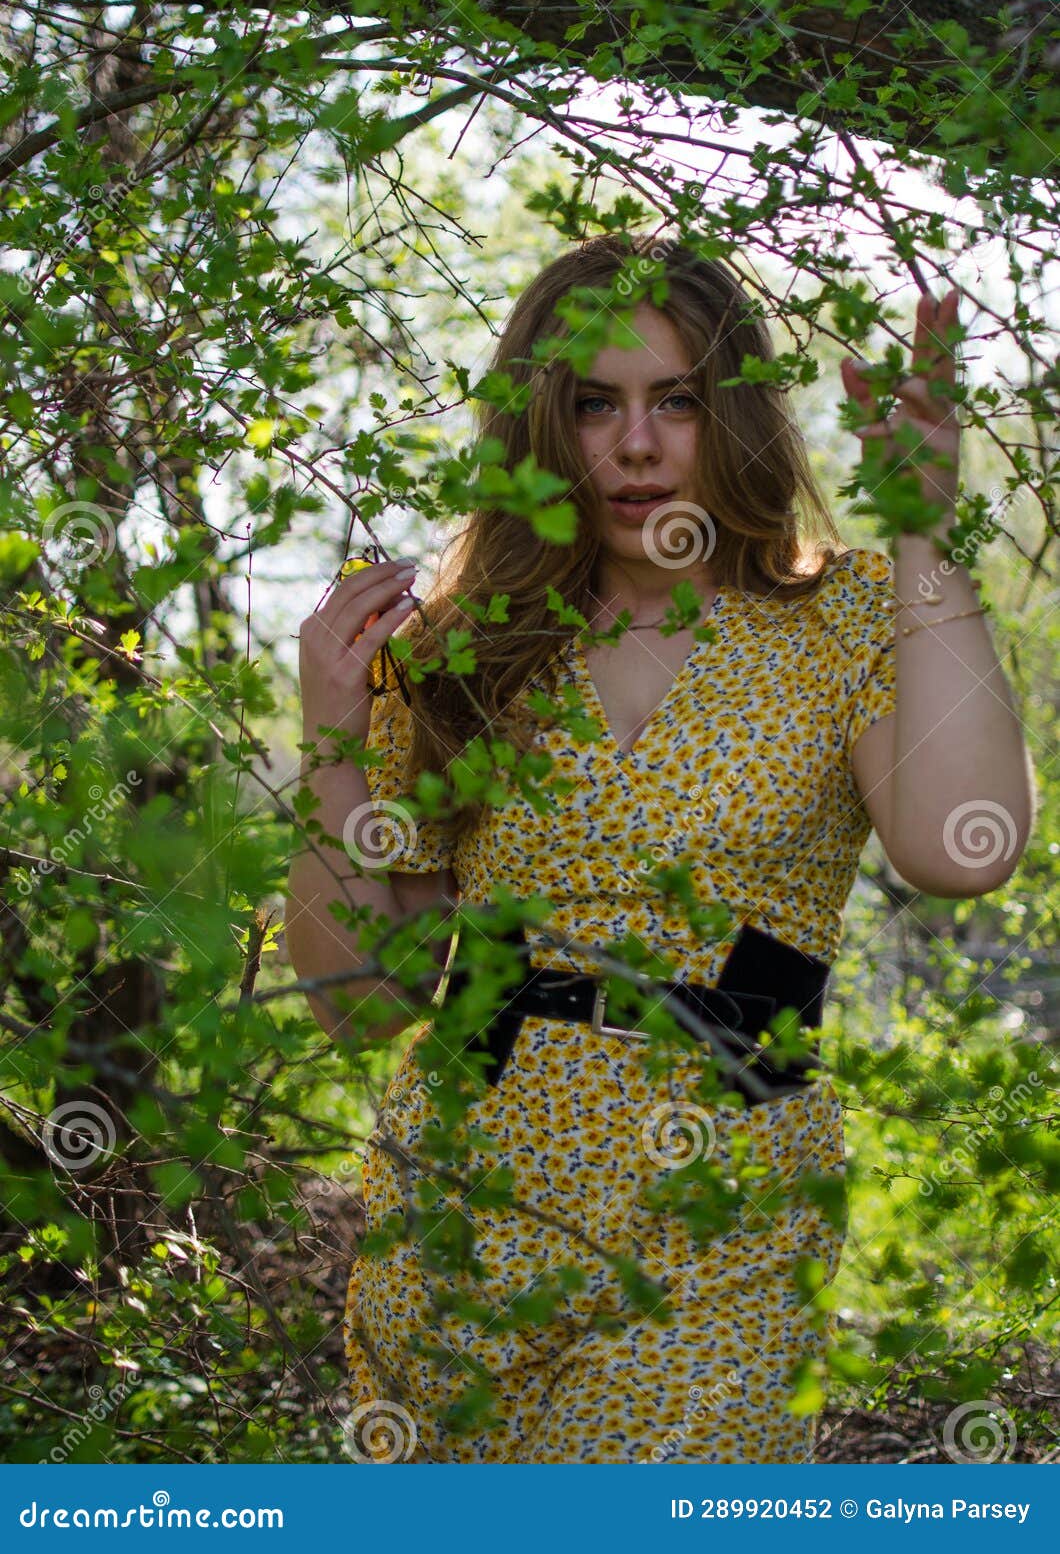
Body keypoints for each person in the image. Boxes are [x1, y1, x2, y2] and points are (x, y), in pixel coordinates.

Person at [286, 234, 1033, 1464]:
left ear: (730, 415)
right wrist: (331, 735)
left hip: (722, 1207)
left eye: (675, 400)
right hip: (465, 1201)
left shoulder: (842, 612)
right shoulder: (464, 647)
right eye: (593, 404)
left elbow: (965, 847)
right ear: (542, 424)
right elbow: (362, 1002)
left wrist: (922, 539)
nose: (635, 445)